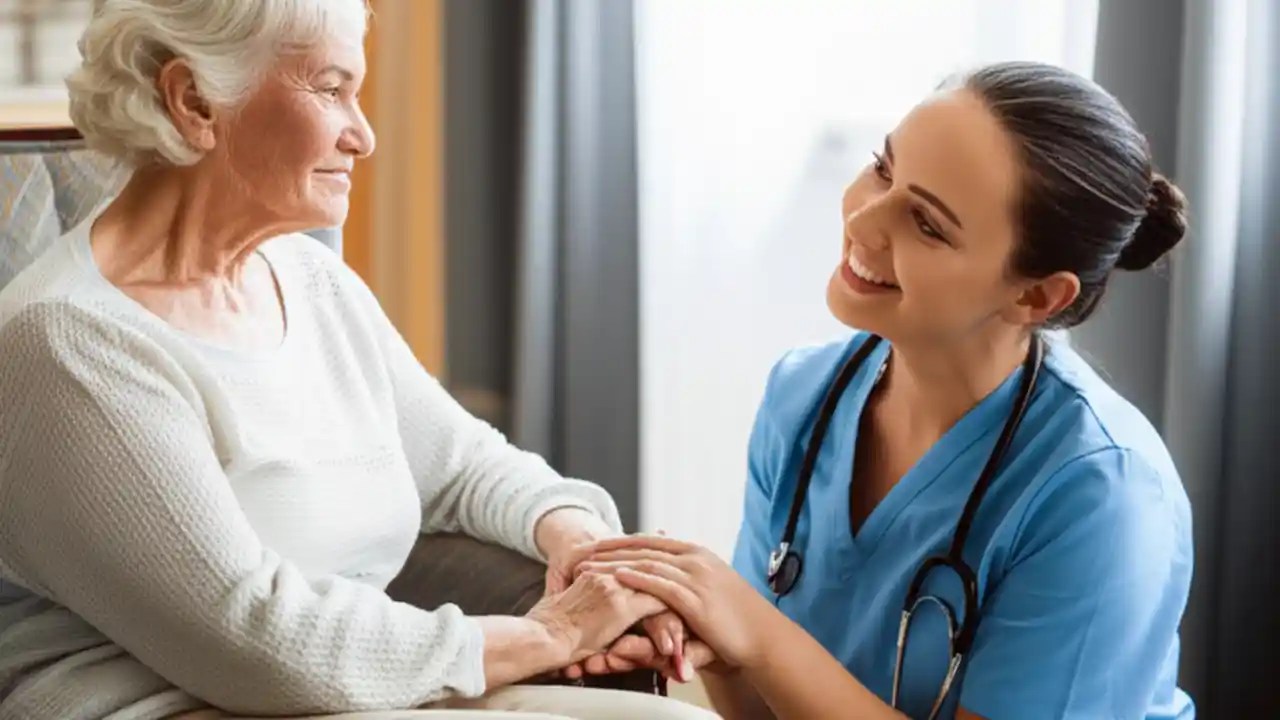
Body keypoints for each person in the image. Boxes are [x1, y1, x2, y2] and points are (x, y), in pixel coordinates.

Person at [0, 2, 711, 719]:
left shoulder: (310, 282)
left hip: (357, 692)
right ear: (195, 100)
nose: (363, 135)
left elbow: (462, 467)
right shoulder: (69, 343)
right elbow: (257, 638)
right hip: (170, 704)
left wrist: (590, 549)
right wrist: (552, 633)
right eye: (331, 88)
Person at [573, 62, 1195, 719]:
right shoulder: (803, 396)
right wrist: (704, 628)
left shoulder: (1105, 495)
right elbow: (762, 707)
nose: (865, 221)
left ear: (1035, 294)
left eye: (927, 224)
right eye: (882, 167)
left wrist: (754, 628)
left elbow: (767, 641)